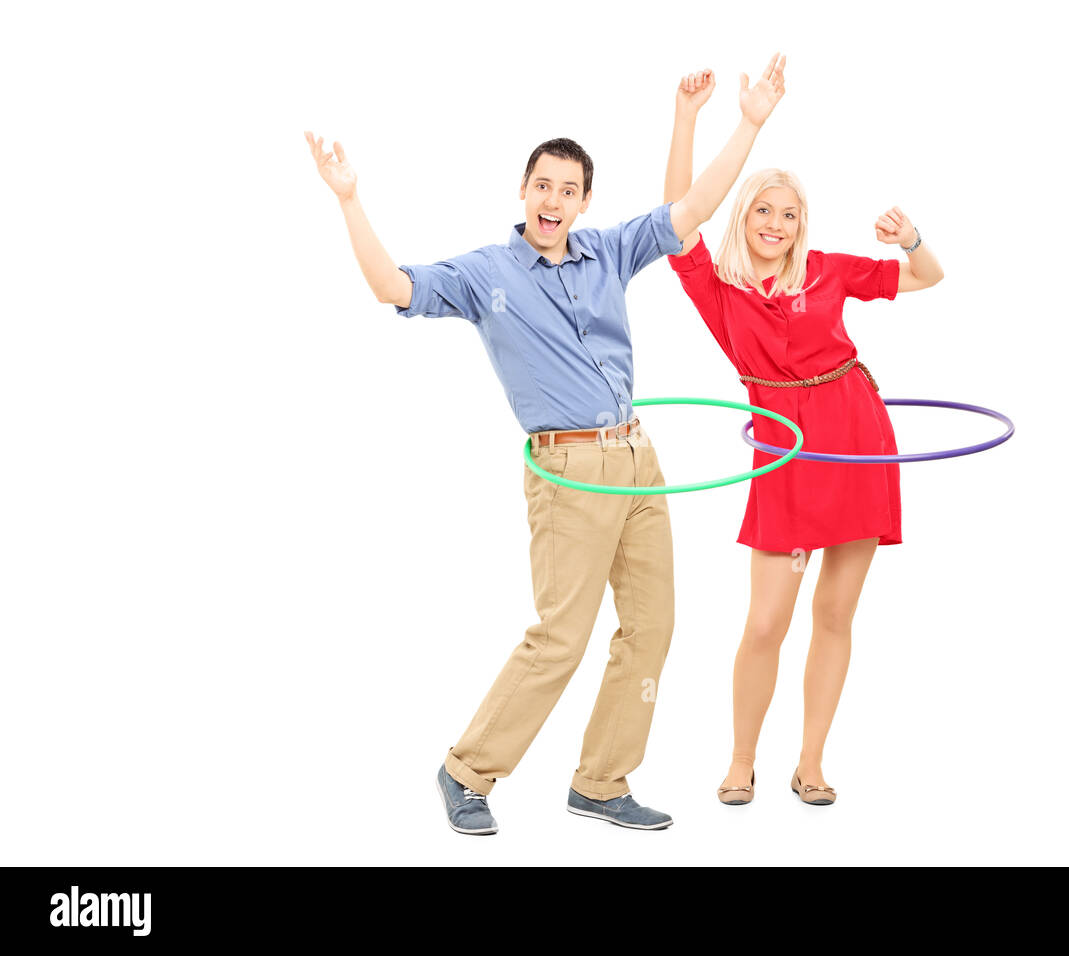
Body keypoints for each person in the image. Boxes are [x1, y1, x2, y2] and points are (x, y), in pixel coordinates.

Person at [303, 53, 786, 835]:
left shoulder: (612, 251)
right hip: (568, 470)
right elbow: (391, 286)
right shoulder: (486, 273)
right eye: (542, 187)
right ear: (523, 193)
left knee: (653, 628)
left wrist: (750, 121)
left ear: (584, 200)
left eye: (569, 190)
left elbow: (693, 206)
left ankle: (601, 781)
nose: (554, 201)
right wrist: (351, 200)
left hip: (639, 458)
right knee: (561, 635)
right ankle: (466, 770)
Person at [662, 69, 944, 808]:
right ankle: (740, 760)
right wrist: (692, 116)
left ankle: (811, 763)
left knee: (834, 614)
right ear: (744, 216)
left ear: (801, 225)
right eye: (764, 210)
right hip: (787, 458)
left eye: (789, 214)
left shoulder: (824, 272)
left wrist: (910, 237)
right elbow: (676, 216)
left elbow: (929, 276)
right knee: (765, 622)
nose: (776, 224)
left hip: (857, 441)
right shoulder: (715, 285)